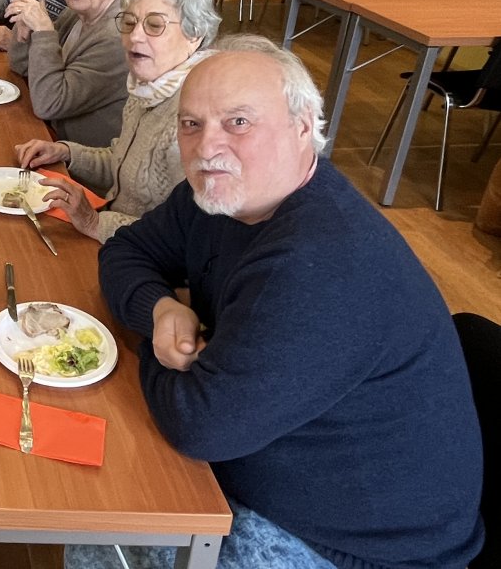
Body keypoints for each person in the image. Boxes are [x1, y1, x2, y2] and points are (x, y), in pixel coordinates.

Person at [77, 39, 484, 569]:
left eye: (239, 122)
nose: (206, 147)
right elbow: (128, 248)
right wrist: (159, 310)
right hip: (274, 469)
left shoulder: (322, 262)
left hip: (357, 549)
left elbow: (200, 426)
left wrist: (145, 345)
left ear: (302, 125)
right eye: (191, 124)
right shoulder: (224, 194)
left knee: (98, 533)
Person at [15, 0, 219, 243]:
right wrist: (66, 152)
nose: (135, 36)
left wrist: (95, 222)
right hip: (111, 234)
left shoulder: (195, 121)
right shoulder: (146, 88)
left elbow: (184, 238)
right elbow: (124, 163)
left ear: (194, 36)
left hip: (144, 260)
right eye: (129, 22)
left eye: (155, 25)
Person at [5, 0, 129, 146]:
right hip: (50, 134)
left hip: (81, 158)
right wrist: (23, 28)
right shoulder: (77, 13)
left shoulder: (115, 38)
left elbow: (48, 104)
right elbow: (21, 66)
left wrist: (44, 31)